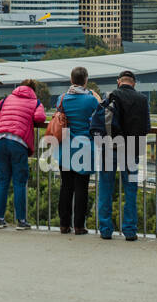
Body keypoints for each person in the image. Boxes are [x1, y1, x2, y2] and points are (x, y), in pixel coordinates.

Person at [96, 70, 151, 241]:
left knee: (105, 188)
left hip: (110, 148)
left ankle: (105, 230)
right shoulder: (142, 99)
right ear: (134, 83)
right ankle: (129, 230)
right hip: (132, 149)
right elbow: (147, 126)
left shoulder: (111, 96)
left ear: (119, 81)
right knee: (131, 190)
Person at [0, 81, 45, 229]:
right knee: (19, 182)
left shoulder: (6, 99)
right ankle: (21, 220)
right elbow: (40, 118)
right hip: (18, 141)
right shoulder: (35, 102)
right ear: (33, 90)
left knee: (2, 180)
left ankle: (0, 219)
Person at [56, 67, 98, 234]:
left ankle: (64, 224)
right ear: (86, 80)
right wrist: (96, 97)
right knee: (82, 188)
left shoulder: (62, 98)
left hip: (66, 146)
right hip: (85, 147)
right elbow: (100, 114)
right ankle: (79, 225)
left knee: (66, 187)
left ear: (71, 79)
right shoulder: (90, 100)